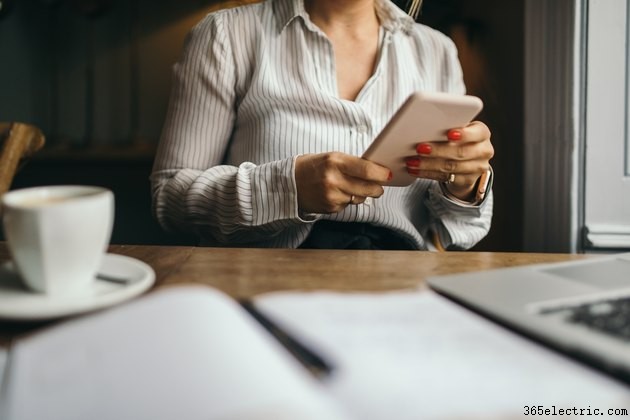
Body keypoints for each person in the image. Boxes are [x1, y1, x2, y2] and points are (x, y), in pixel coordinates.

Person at [150, 0, 494, 250]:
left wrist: (463, 184)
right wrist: (289, 188)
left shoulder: (437, 49)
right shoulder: (225, 36)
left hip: (404, 280)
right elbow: (170, 200)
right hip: (264, 278)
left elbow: (454, 229)